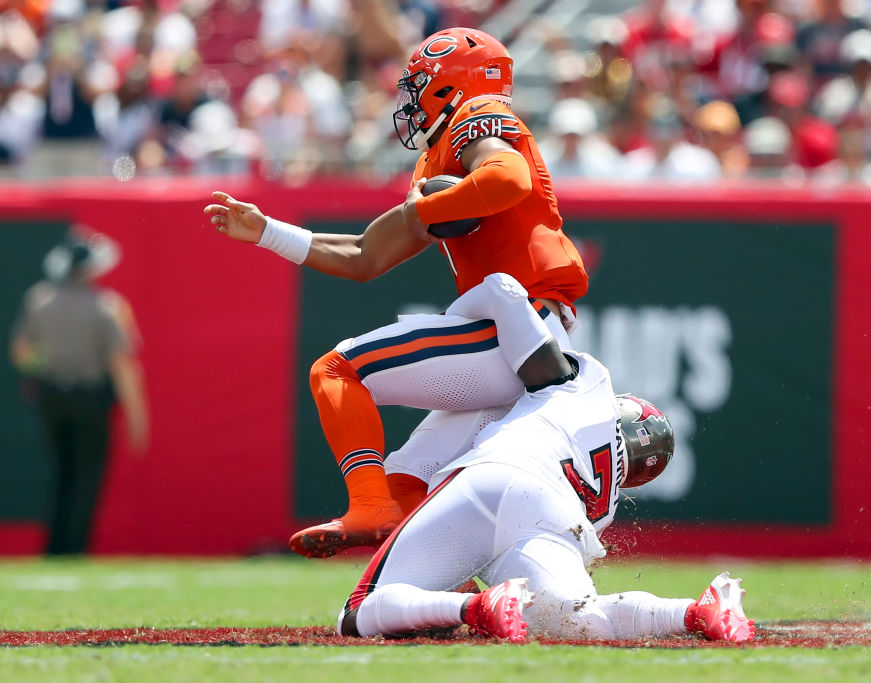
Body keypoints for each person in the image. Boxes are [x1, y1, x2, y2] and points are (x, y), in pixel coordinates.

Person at [204, 27, 588, 558]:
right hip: (521, 335)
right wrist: (269, 231)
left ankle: (368, 506)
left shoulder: (476, 120)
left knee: (337, 370)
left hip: (518, 328)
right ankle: (453, 598)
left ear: (451, 87)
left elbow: (508, 178)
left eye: (418, 86)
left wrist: (422, 211)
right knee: (408, 485)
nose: (408, 101)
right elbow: (365, 255)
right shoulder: (438, 161)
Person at [337, 274, 754, 643]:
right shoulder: (605, 506)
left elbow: (504, 289)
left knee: (357, 612)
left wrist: (455, 317)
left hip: (495, 477)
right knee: (581, 617)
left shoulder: (588, 383)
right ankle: (697, 612)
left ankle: (474, 607)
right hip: (555, 516)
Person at [9, 228, 149, 555]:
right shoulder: (106, 306)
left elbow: (21, 353)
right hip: (90, 398)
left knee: (61, 472)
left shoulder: (39, 298)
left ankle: (54, 547)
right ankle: (75, 548)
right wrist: (137, 417)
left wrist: (48, 367)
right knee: (87, 475)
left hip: (50, 396)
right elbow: (122, 364)